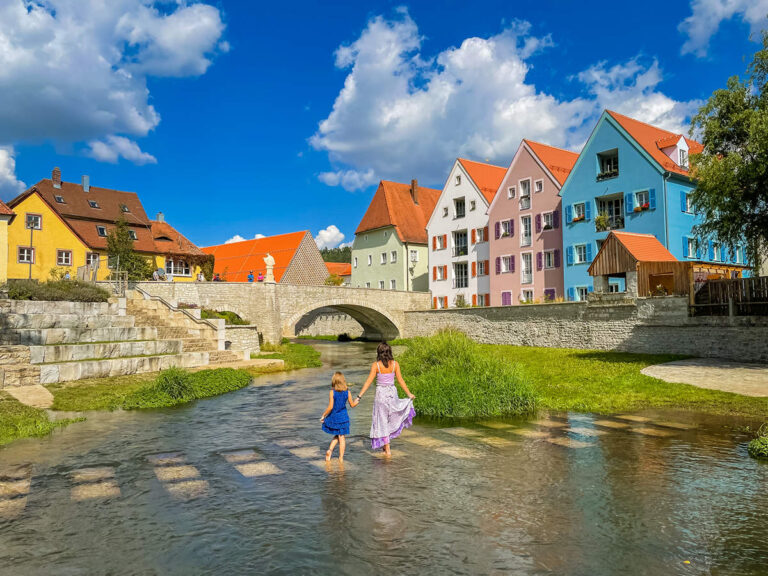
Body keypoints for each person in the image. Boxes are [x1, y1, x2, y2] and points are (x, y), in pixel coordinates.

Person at [356, 342, 415, 457]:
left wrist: (359, 396)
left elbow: (368, 382)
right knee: (390, 418)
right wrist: (409, 394)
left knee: (382, 421)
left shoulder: (376, 365)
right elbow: (401, 380)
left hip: (381, 395)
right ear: (390, 352)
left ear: (379, 353)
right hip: (392, 393)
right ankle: (385, 447)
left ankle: (387, 450)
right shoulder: (395, 364)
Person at [320, 372, 359, 461]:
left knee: (338, 436)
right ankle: (341, 458)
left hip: (334, 417)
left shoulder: (332, 392)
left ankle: (329, 450)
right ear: (343, 381)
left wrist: (323, 415)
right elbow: (352, 405)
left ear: (334, 382)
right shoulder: (347, 392)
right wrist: (357, 400)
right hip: (343, 418)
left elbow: (330, 407)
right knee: (342, 438)